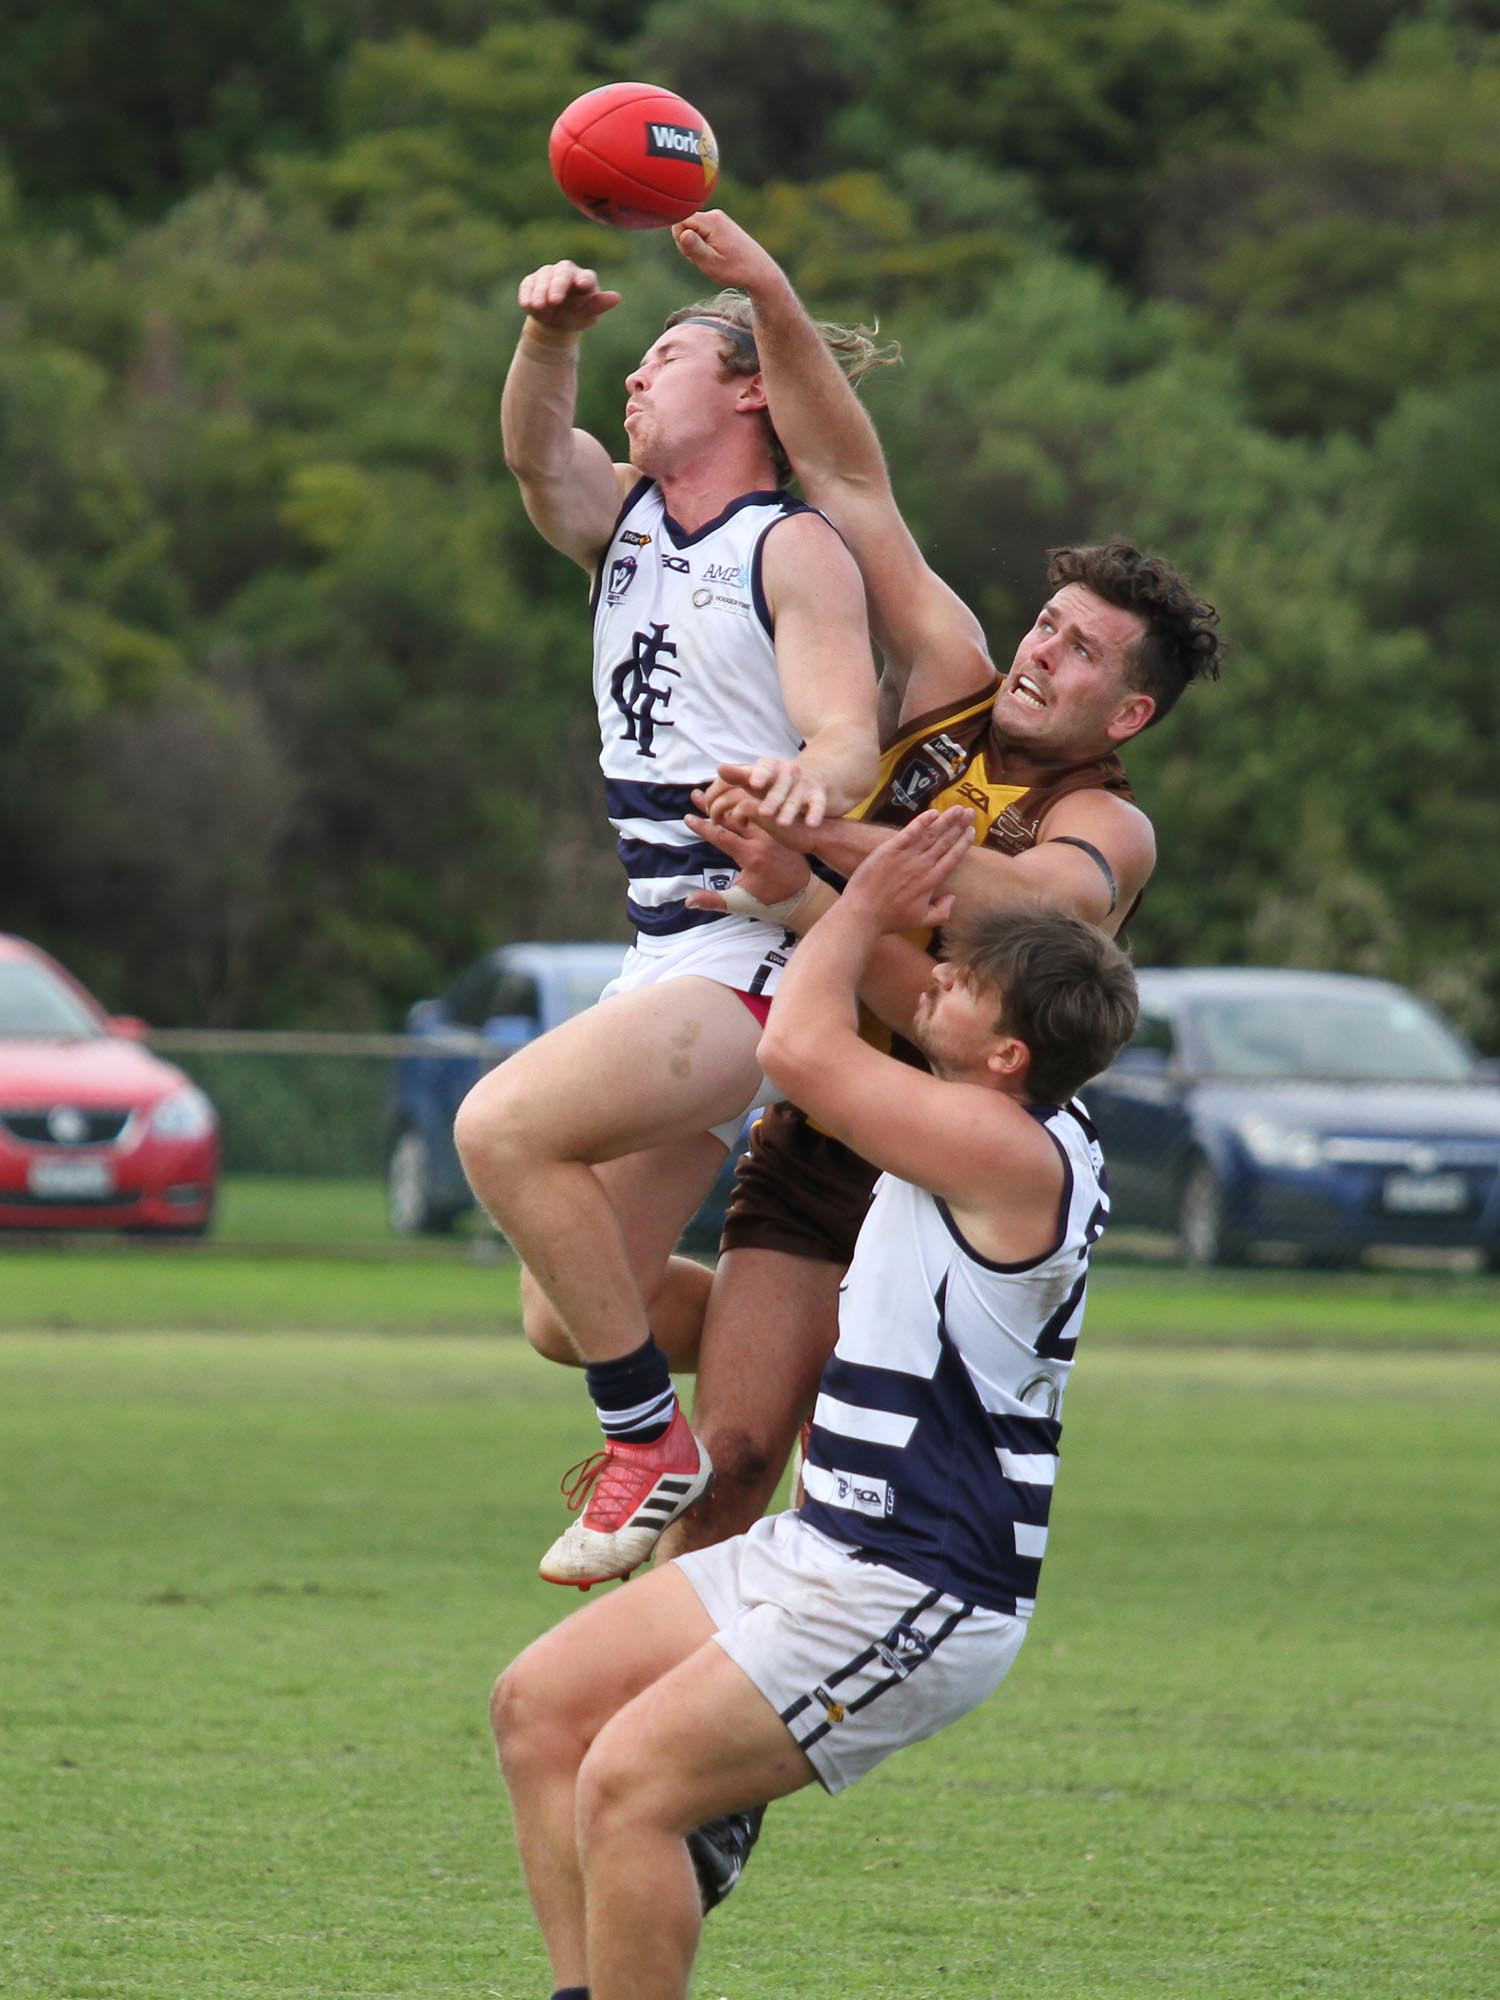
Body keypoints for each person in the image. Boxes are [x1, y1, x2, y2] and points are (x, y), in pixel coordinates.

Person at [645, 210, 1226, 1563]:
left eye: (1082, 656)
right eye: (1048, 626)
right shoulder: (952, 680)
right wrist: (771, 295)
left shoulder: (1103, 827)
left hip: (954, 1166)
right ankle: (664, 1757)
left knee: (870, 1511)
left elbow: (1013, 908)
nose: (1040, 654)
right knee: (730, 1461)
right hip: (821, 1129)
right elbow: (851, 483)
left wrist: (810, 860)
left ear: (1128, 714)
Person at [489, 809, 1140, 2000]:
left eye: (961, 984)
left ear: (1007, 1053)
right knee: (542, 1708)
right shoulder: (994, 1105)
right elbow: (876, 980)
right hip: (823, 1547)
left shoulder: (1001, 1149)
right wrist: (809, 892)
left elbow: (799, 1047)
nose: (931, 985)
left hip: (920, 1577)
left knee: (628, 1785)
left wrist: (871, 890)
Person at [453, 258, 882, 1589]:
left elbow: (848, 731)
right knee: (567, 1314)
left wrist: (814, 780)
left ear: (753, 389)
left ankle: (649, 1448)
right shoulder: (627, 516)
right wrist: (546, 337)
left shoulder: (791, 544)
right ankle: (849, 1349)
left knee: (498, 1126)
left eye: (668, 360)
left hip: (756, 953)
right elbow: (535, 454)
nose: (636, 375)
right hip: (665, 956)